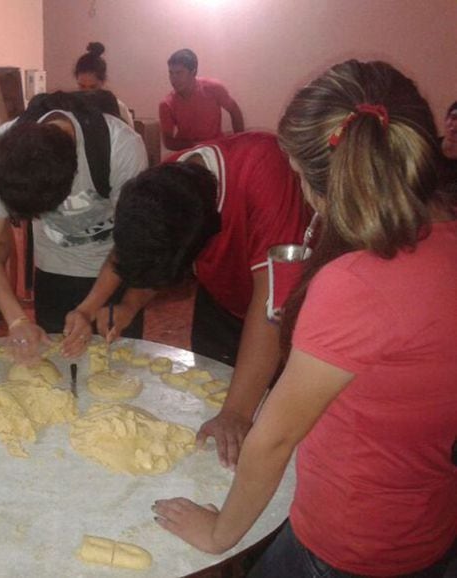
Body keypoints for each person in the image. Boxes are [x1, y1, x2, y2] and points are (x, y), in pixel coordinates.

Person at [152, 60, 457, 577]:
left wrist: (219, 532)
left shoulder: (358, 284)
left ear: (328, 187)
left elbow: (274, 438)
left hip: (347, 542)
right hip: (427, 525)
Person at [101, 132, 311, 467]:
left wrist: (237, 412)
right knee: (211, 411)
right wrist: (128, 304)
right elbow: (160, 252)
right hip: (221, 303)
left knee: (270, 430)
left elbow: (273, 305)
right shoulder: (168, 184)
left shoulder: (262, 168)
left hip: (287, 319)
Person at [0, 91, 148, 362]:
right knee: (57, 368)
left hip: (115, 272)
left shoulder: (120, 147)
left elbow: (131, 244)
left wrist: (88, 309)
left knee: (117, 367)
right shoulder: (0, 147)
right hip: (52, 274)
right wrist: (17, 319)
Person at [159, 48, 244, 151]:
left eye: (179, 73)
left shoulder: (213, 88)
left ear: (193, 72)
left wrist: (239, 143)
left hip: (217, 149)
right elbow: (168, 142)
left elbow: (234, 111)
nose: (174, 79)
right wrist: (198, 146)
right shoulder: (167, 104)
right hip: (187, 154)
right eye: (171, 73)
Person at [74, 41, 135, 128]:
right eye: (82, 86)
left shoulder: (118, 108)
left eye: (93, 87)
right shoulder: (70, 107)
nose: (87, 93)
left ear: (102, 82)